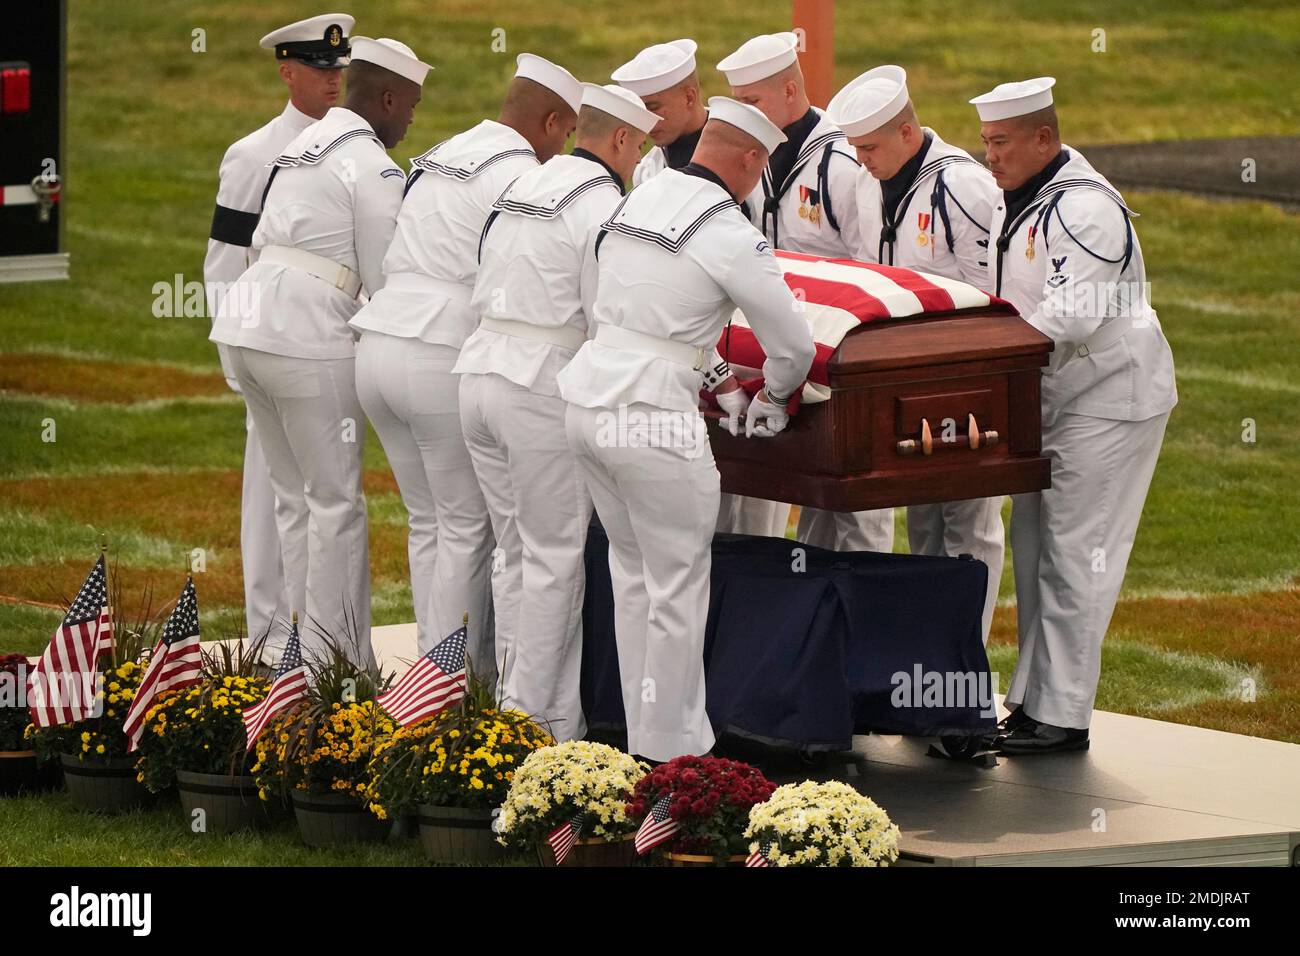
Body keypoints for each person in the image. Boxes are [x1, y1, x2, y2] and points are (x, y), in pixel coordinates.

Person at [557, 97, 815, 762]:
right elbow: (792, 347)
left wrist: (712, 370)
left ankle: (644, 742)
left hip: (589, 404)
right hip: (653, 421)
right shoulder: (730, 233)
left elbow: (624, 311)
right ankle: (675, 761)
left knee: (633, 575)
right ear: (753, 160)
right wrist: (776, 399)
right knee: (673, 587)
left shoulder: (634, 198)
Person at [348, 54, 581, 675]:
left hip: (378, 344)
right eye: (568, 133)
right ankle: (453, 696)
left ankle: (429, 681)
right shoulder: (521, 174)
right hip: (439, 349)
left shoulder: (448, 150)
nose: (567, 149)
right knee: (465, 528)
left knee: (430, 523)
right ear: (551, 121)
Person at [969, 77, 1177, 753]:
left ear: (1044, 139)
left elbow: (1072, 316)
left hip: (1108, 399)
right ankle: (1032, 703)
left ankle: (1062, 717)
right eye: (986, 142)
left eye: (1001, 142)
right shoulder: (1021, 197)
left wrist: (979, 356)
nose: (990, 155)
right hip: (1059, 397)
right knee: (1036, 551)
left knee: (1077, 554)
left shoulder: (1085, 209)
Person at [210, 37, 430, 665]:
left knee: (293, 502)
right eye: (410, 106)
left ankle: (292, 656)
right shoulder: (372, 162)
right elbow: (386, 278)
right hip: (308, 335)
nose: (411, 119)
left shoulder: (302, 145)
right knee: (335, 503)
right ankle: (337, 671)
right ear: (386, 99)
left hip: (251, 327)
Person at [455, 84, 660, 741]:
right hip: (537, 387)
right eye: (639, 146)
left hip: (480, 376)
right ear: (622, 140)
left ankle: (510, 713)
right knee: (552, 560)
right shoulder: (602, 205)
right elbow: (607, 322)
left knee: (515, 552)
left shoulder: (525, 184)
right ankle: (535, 731)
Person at [826, 65, 1005, 642]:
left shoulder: (963, 186)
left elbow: (994, 296)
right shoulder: (867, 179)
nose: (862, 159)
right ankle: (928, 662)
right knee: (924, 528)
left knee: (970, 527)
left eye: (871, 147)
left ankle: (965, 664)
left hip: (965, 379)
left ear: (908, 132)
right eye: (855, 148)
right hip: (906, 382)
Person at [202, 13, 352, 649]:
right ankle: (268, 634)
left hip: (322, 346)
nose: (332, 79)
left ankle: (316, 634)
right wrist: (237, 364)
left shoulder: (351, 145)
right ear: (287, 71)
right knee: (272, 496)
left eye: (339, 68)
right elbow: (224, 262)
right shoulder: (254, 154)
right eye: (319, 68)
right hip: (269, 344)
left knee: (317, 497)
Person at [717, 32, 891, 551]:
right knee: (808, 496)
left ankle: (861, 623)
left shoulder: (842, 163)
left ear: (791, 90)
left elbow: (871, 268)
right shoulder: (758, 153)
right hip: (786, 348)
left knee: (859, 510)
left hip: (845, 354)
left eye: (754, 101)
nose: (745, 112)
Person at [610, 38, 707, 187]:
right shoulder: (645, 171)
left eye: (653, 107)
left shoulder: (744, 151)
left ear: (689, 98)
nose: (646, 122)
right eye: (640, 110)